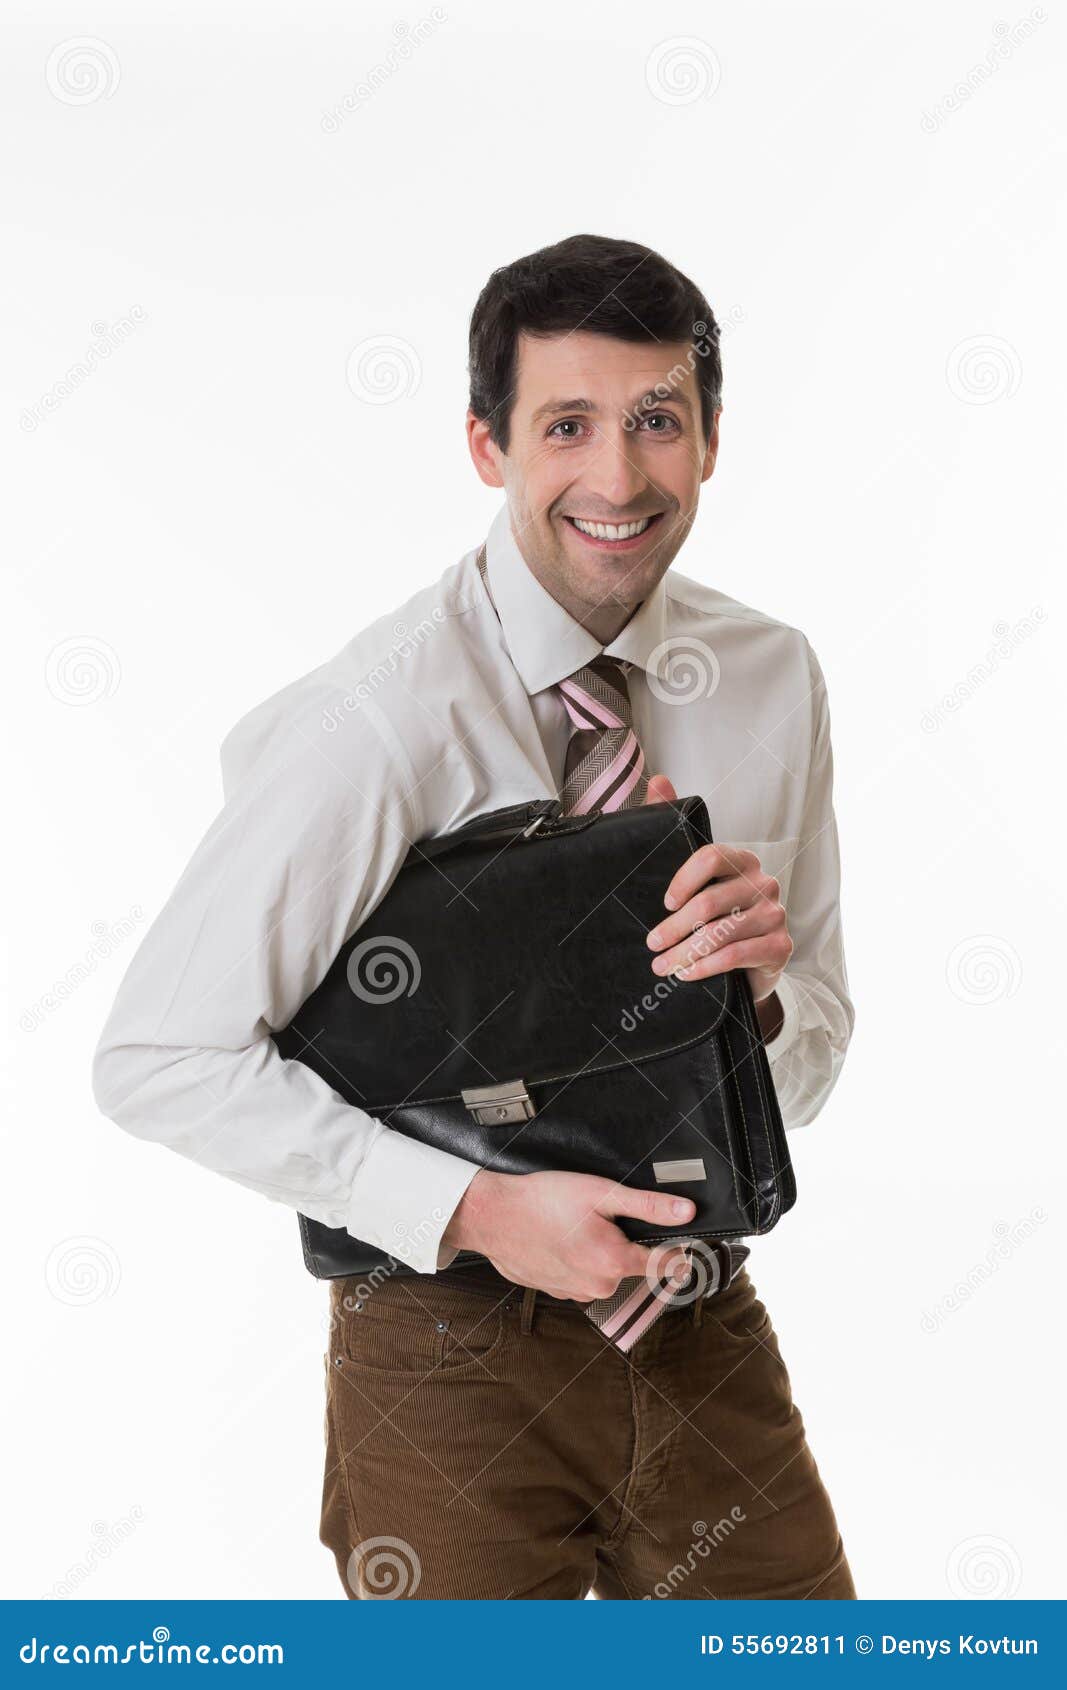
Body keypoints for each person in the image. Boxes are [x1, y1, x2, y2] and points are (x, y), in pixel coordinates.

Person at [92, 234, 856, 1600]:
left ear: (711, 440)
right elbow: (159, 1056)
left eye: (657, 419)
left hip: (698, 1315)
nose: (617, 478)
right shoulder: (375, 718)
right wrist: (478, 1210)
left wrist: (752, 1001)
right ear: (486, 444)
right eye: (566, 425)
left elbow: (815, 1051)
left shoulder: (769, 678)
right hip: (446, 1352)